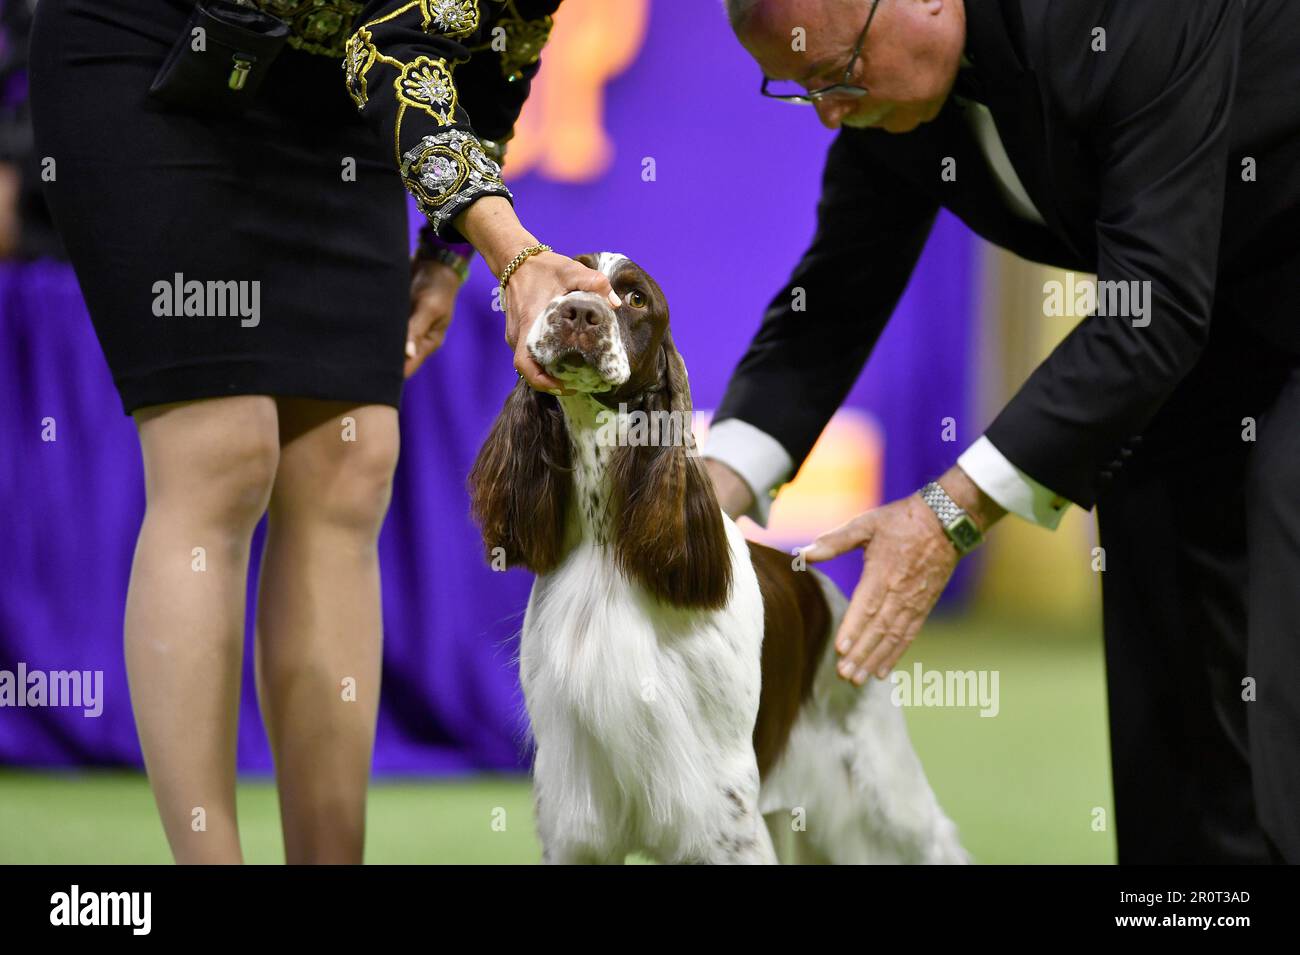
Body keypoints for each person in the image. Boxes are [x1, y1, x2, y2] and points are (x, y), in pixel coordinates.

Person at [704, 0, 1300, 863]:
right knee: (1175, 706)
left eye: (837, 76)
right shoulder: (884, 95)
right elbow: (832, 298)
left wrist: (950, 513)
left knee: (1280, 675)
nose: (832, 112)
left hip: (1254, 278)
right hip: (1186, 322)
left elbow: (1154, 310)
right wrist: (708, 494)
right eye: (804, 92)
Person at [28, 0, 613, 863]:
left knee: (353, 460)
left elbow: (495, 53)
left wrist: (450, 253)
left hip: (337, 102)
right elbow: (393, 43)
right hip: (157, 59)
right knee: (223, 450)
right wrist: (512, 252)